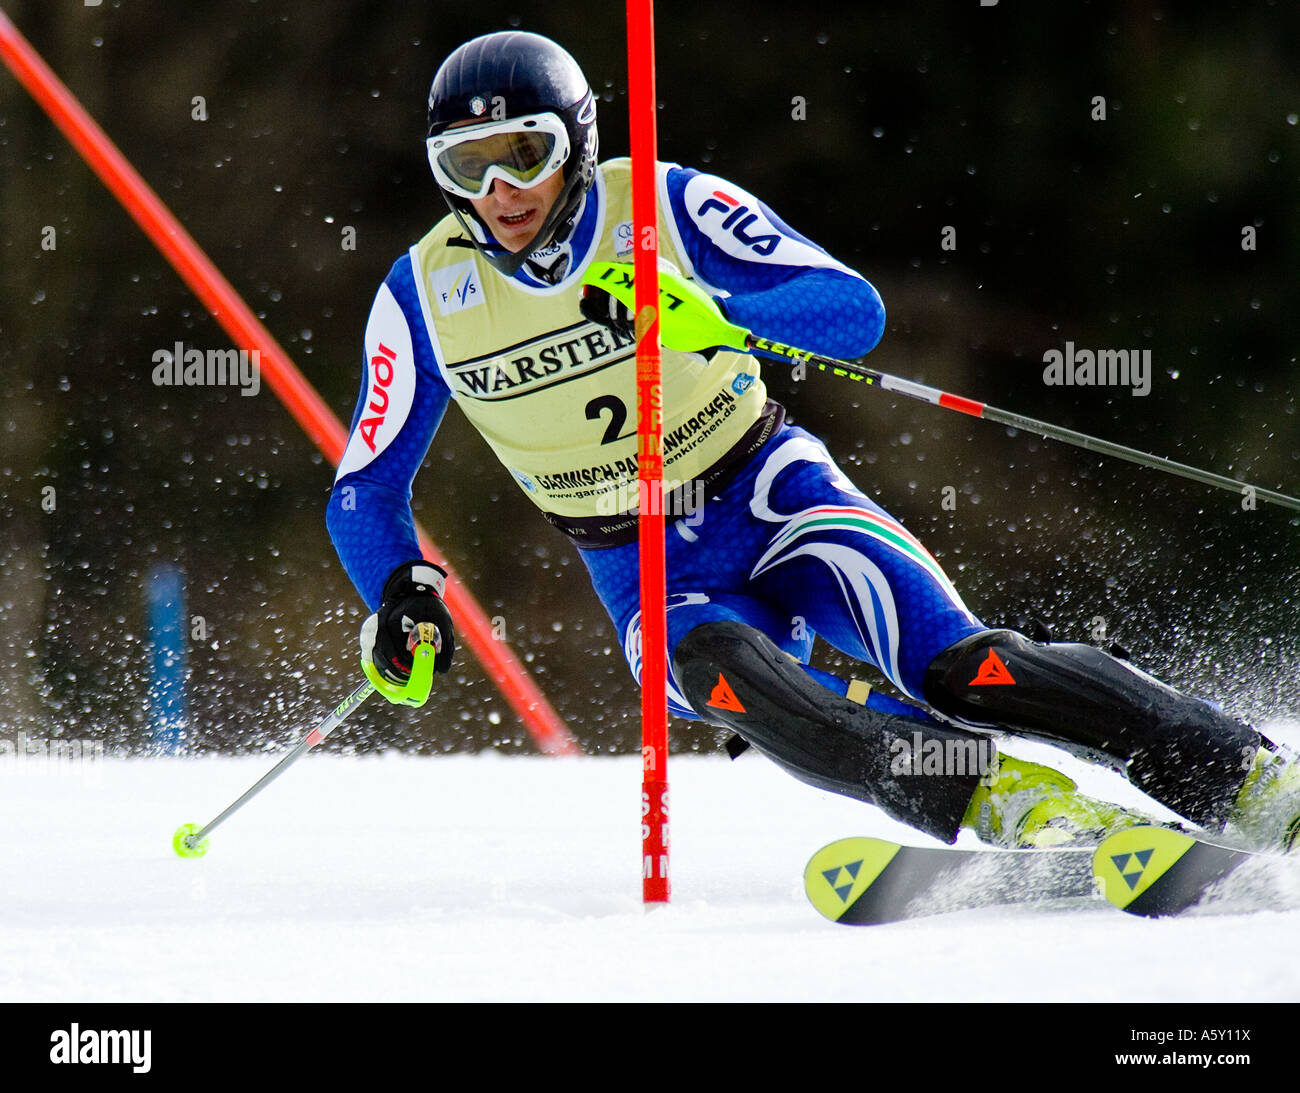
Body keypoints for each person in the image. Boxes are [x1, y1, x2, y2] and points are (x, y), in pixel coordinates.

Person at [327, 30, 1299, 852]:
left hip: (768, 493)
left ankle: (1240, 776)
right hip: (644, 563)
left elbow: (850, 309)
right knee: (733, 679)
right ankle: (1008, 807)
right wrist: (399, 595)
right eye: (467, 164)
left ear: (574, 144)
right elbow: (366, 490)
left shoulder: (666, 204)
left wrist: (715, 313)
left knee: (962, 671)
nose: (500, 189)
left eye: (524, 154)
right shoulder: (422, 295)